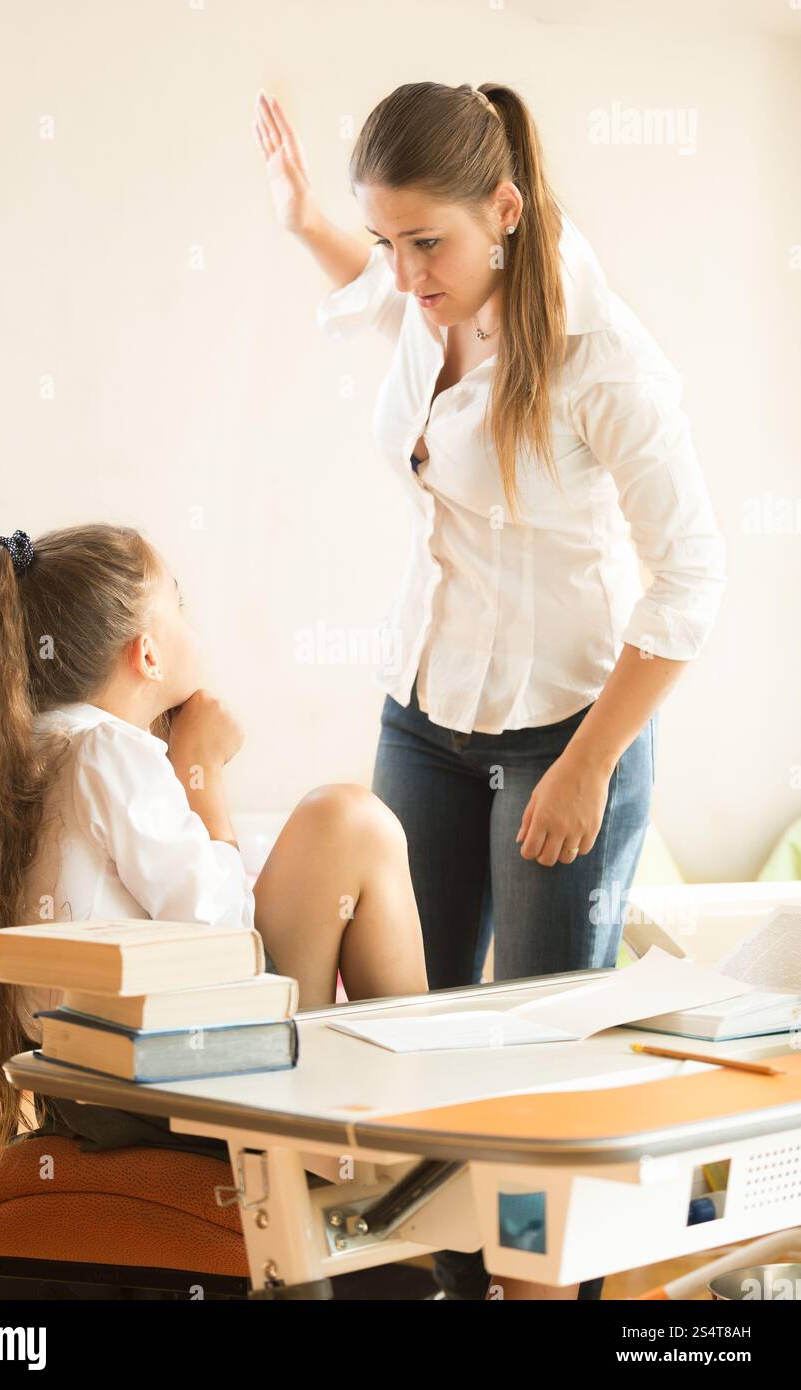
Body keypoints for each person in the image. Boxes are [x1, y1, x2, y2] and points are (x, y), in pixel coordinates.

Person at [254, 81, 726, 1299]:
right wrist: (309, 217)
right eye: (390, 238)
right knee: (407, 1042)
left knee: (532, 1073)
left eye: (431, 242)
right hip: (424, 709)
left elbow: (691, 582)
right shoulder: (425, 293)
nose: (408, 273)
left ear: (506, 209)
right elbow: (371, 293)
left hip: (563, 730)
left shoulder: (598, 355)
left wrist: (588, 764)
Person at [0, 523, 427, 1173]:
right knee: (353, 821)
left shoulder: (20, 751)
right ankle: (415, 1135)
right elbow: (223, 935)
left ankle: (403, 1132)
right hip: (169, 1095)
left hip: (85, 1097)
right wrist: (201, 769)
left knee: (339, 819)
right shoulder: (107, 751)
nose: (193, 625)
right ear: (147, 656)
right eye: (178, 606)